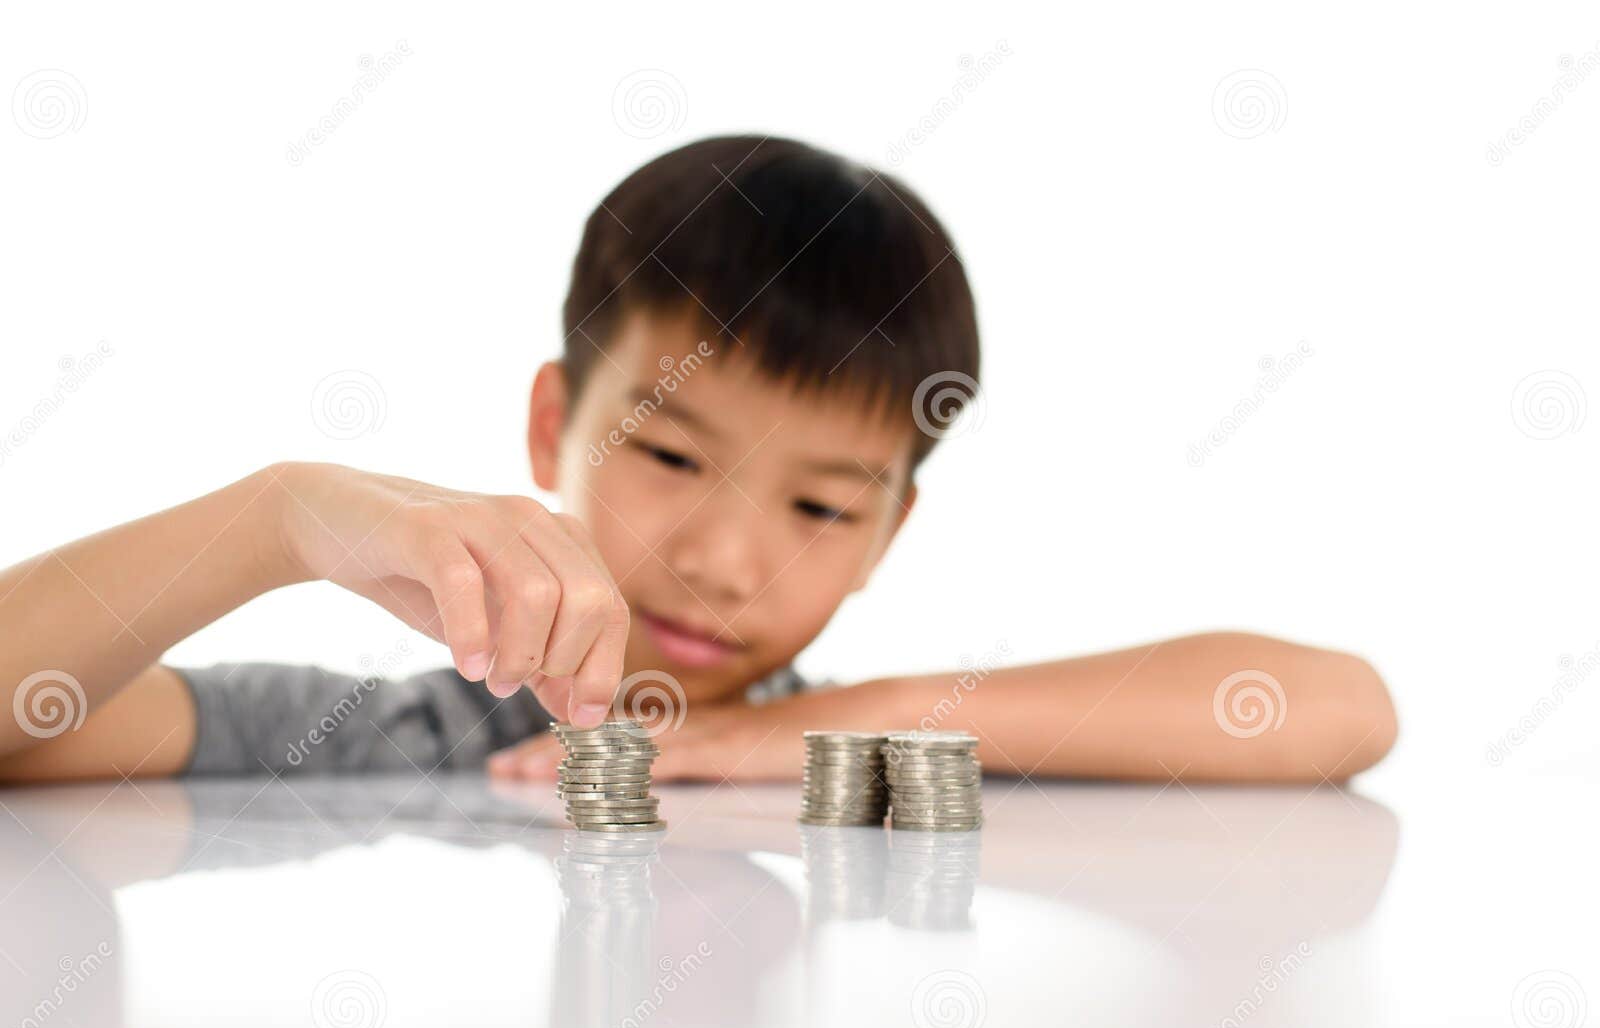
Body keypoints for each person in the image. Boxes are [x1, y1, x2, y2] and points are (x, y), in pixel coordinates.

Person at [0, 136, 1396, 787]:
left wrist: (807, 730)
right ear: (553, 423)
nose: (725, 559)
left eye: (819, 503)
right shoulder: (389, 742)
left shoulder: (895, 756)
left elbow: (1337, 711)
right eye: (670, 451)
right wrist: (278, 516)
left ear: (890, 533)